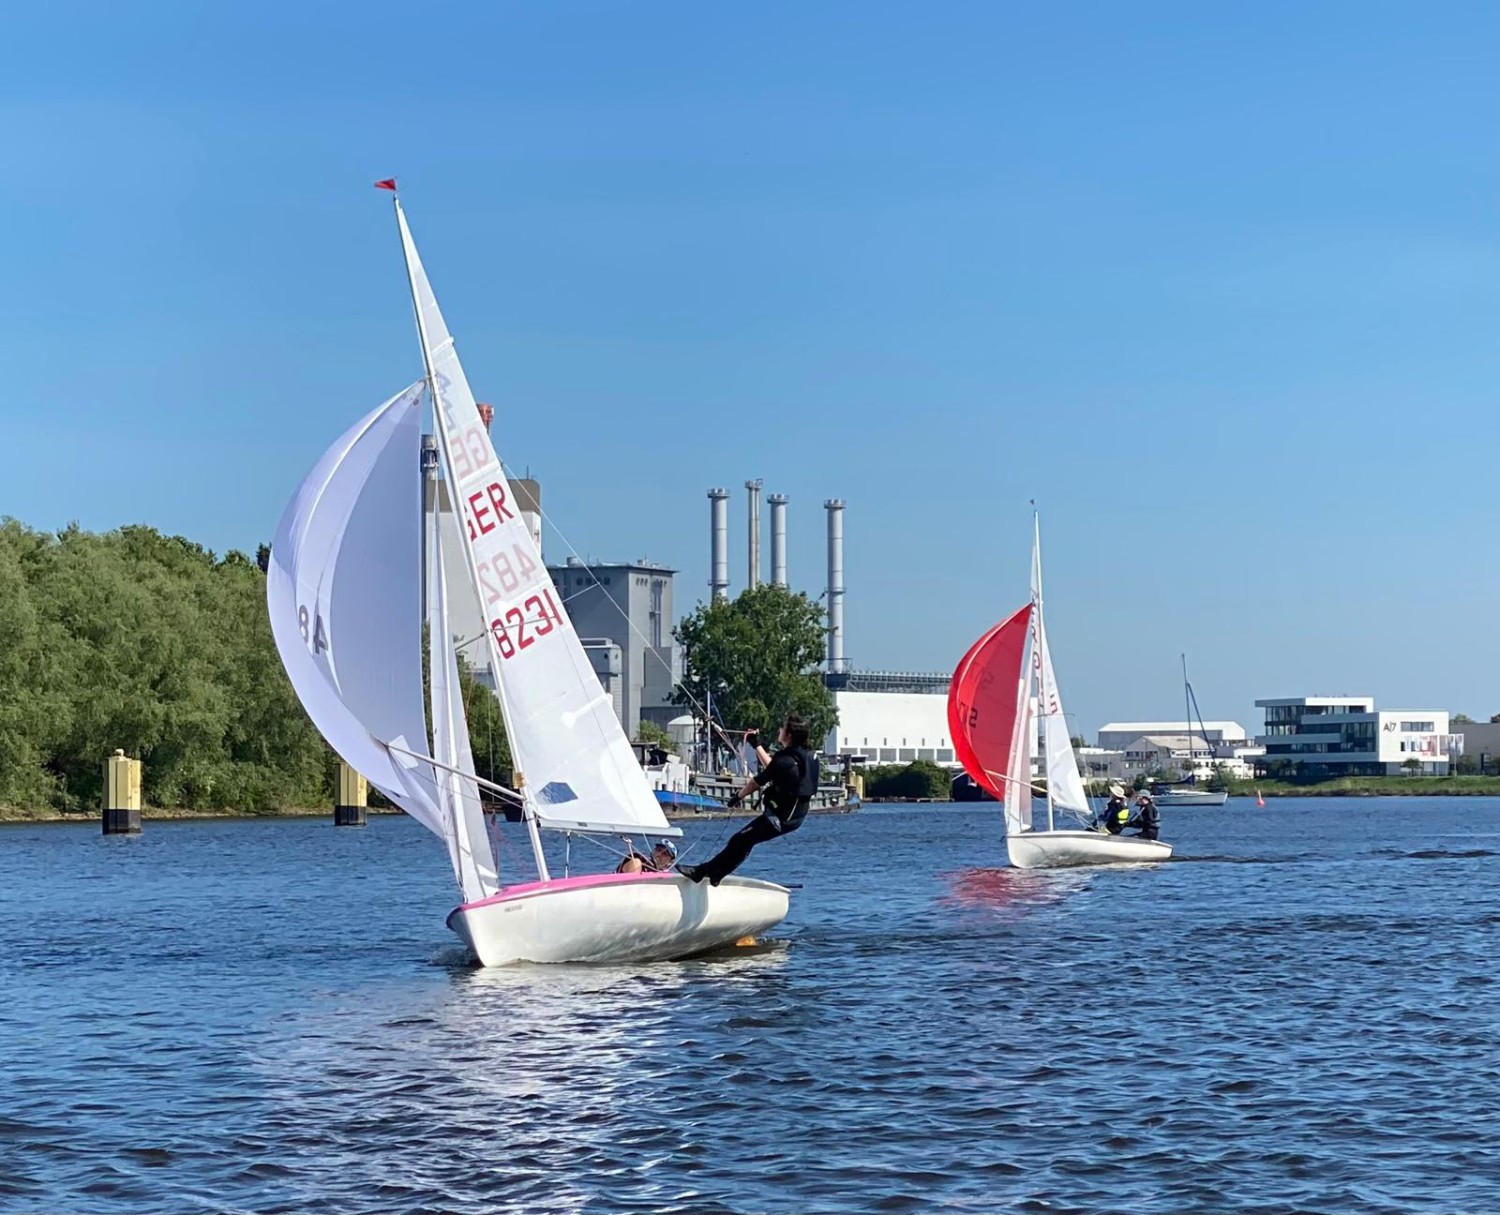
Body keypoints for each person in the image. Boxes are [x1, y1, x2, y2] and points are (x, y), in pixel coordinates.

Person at [678, 714, 819, 886]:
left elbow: (757, 782)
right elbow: (775, 767)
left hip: (779, 819)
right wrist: (756, 745)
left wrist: (738, 796)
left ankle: (702, 873)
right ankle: (715, 875)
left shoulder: (784, 760)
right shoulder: (805, 756)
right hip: (795, 818)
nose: (779, 730)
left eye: (782, 728)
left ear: (788, 735)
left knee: (741, 840)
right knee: (745, 841)